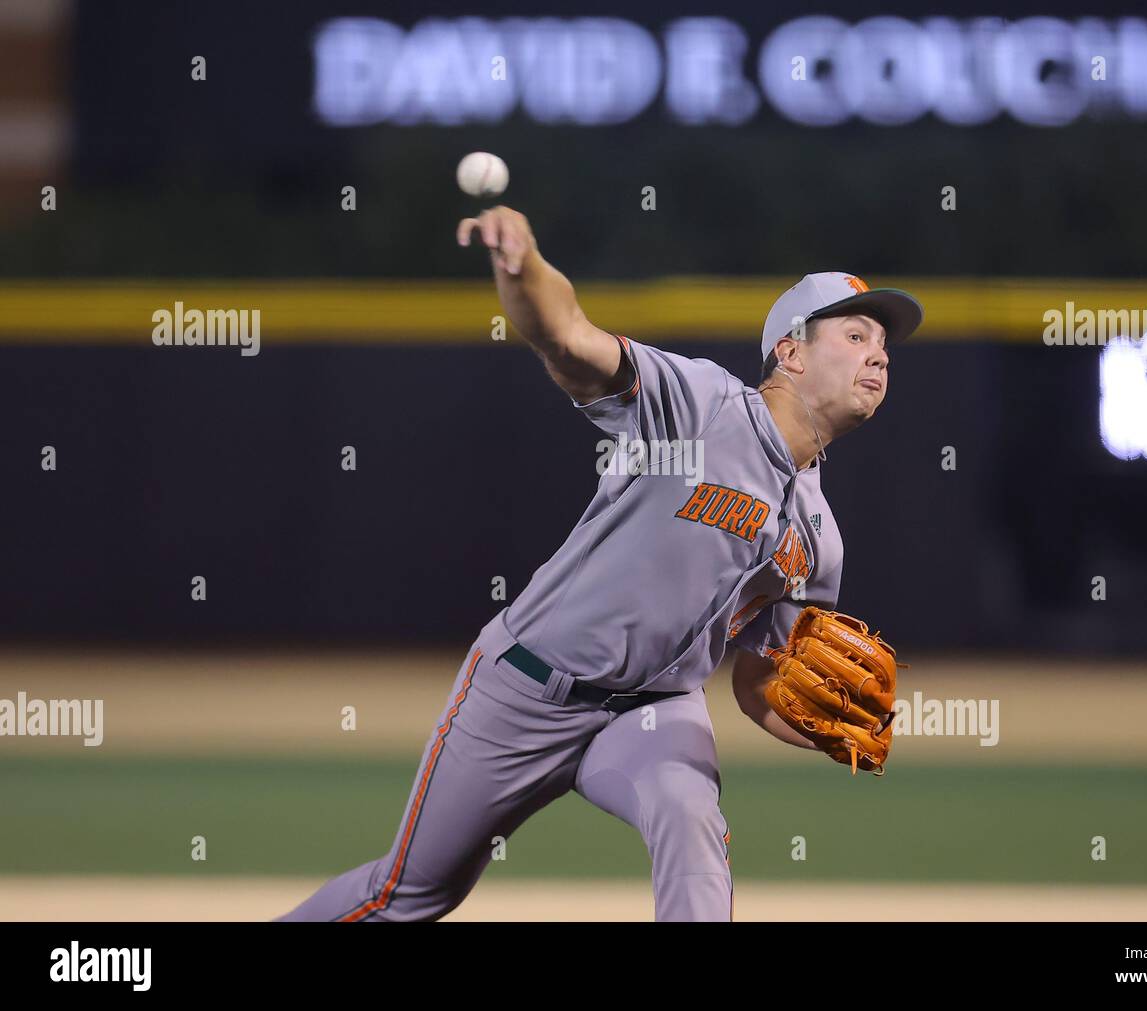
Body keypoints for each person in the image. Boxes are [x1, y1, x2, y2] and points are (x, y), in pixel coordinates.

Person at [277, 205, 922, 921]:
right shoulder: (700, 408)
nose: (880, 353)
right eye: (857, 333)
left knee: (690, 821)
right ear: (792, 355)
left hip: (653, 714)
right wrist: (521, 266)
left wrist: (829, 730)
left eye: (885, 344)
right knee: (408, 894)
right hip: (526, 685)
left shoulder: (817, 536)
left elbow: (758, 679)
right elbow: (568, 339)